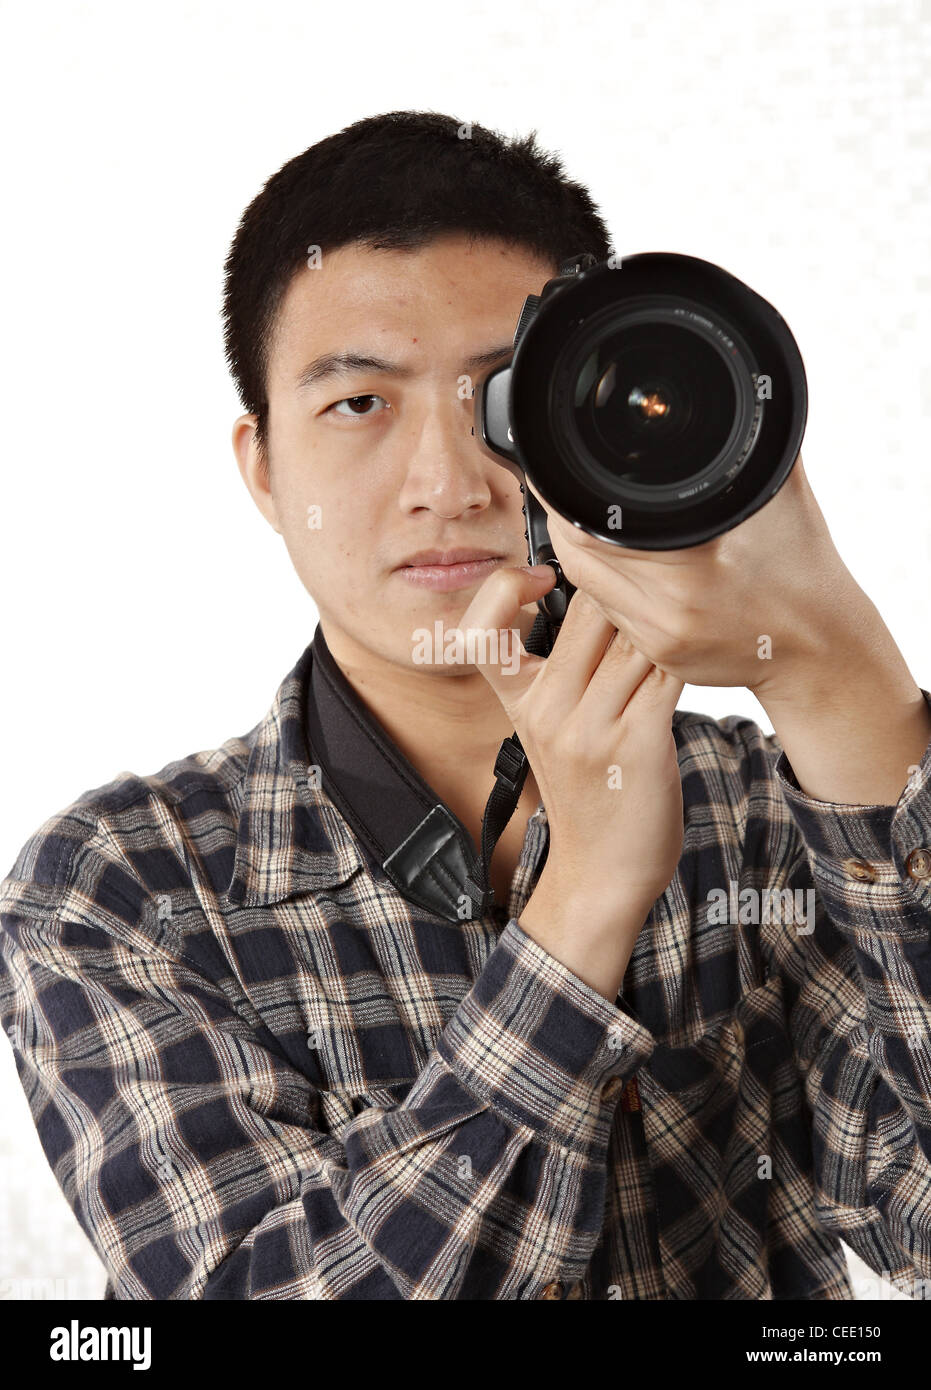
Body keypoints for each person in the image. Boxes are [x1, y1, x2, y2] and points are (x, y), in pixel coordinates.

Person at [2, 109, 930, 1301]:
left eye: (503, 399)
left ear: (603, 425)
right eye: (358, 403)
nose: (445, 485)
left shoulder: (767, 804)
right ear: (265, 469)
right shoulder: (123, 888)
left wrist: (839, 677)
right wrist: (584, 902)